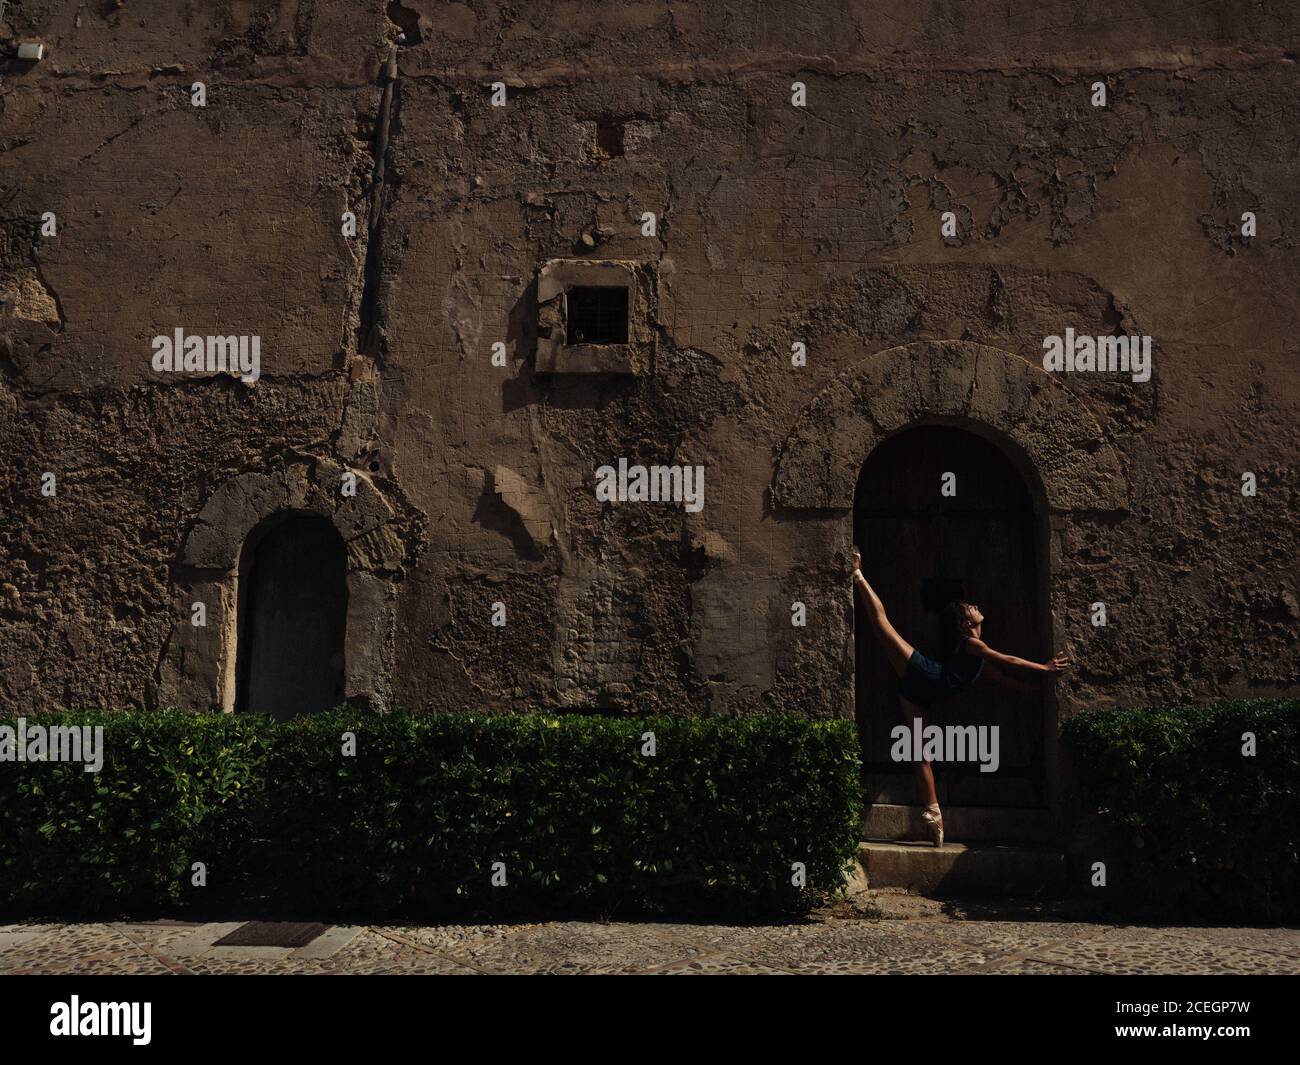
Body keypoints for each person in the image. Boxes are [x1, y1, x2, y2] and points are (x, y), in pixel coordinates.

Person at [850, 547, 1069, 847]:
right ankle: (858, 574)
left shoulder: (975, 657)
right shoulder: (972, 645)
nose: (975, 605)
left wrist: (1033, 691)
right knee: (882, 626)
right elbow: (1008, 661)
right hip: (924, 675)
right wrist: (1043, 668)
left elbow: (1002, 678)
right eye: (970, 606)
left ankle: (934, 816)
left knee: (920, 755)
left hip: (920, 693)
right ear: (967, 622)